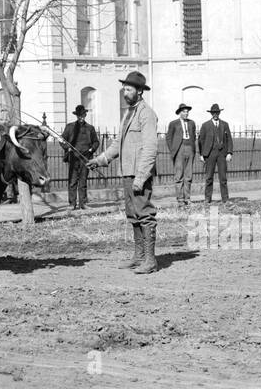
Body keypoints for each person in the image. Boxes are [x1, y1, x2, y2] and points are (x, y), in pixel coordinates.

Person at [88, 72, 159, 273]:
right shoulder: (129, 113)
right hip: (127, 172)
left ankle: (150, 261)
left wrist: (141, 177)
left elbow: (150, 148)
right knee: (133, 215)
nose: (125, 93)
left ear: (140, 91)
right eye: (124, 89)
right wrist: (101, 159)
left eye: (129, 89)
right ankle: (139, 257)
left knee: (145, 215)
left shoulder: (146, 114)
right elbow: (118, 143)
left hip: (139, 174)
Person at [60, 104, 99, 210]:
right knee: (72, 181)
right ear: (76, 116)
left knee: (83, 181)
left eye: (82, 115)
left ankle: (83, 203)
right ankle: (72, 204)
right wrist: (67, 148)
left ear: (85, 115)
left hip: (85, 158)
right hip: (73, 158)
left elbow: (96, 142)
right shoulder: (70, 127)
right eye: (79, 115)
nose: (81, 117)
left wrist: (91, 150)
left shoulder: (90, 128)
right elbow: (62, 140)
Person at [198, 103, 234, 205]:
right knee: (209, 177)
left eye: (217, 112)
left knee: (223, 178)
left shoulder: (224, 124)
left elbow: (229, 139)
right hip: (210, 154)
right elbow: (201, 141)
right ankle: (207, 198)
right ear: (211, 113)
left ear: (219, 113)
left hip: (222, 154)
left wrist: (229, 153)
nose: (215, 114)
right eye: (213, 113)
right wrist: (202, 154)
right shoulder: (205, 125)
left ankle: (225, 199)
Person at [166, 103, 197, 207]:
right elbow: (169, 138)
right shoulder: (173, 124)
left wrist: (192, 149)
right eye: (184, 111)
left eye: (187, 111)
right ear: (179, 113)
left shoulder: (192, 123)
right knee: (179, 175)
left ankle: (187, 198)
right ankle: (180, 199)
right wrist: (173, 150)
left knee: (188, 175)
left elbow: (193, 137)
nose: (186, 113)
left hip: (189, 148)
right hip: (179, 149)